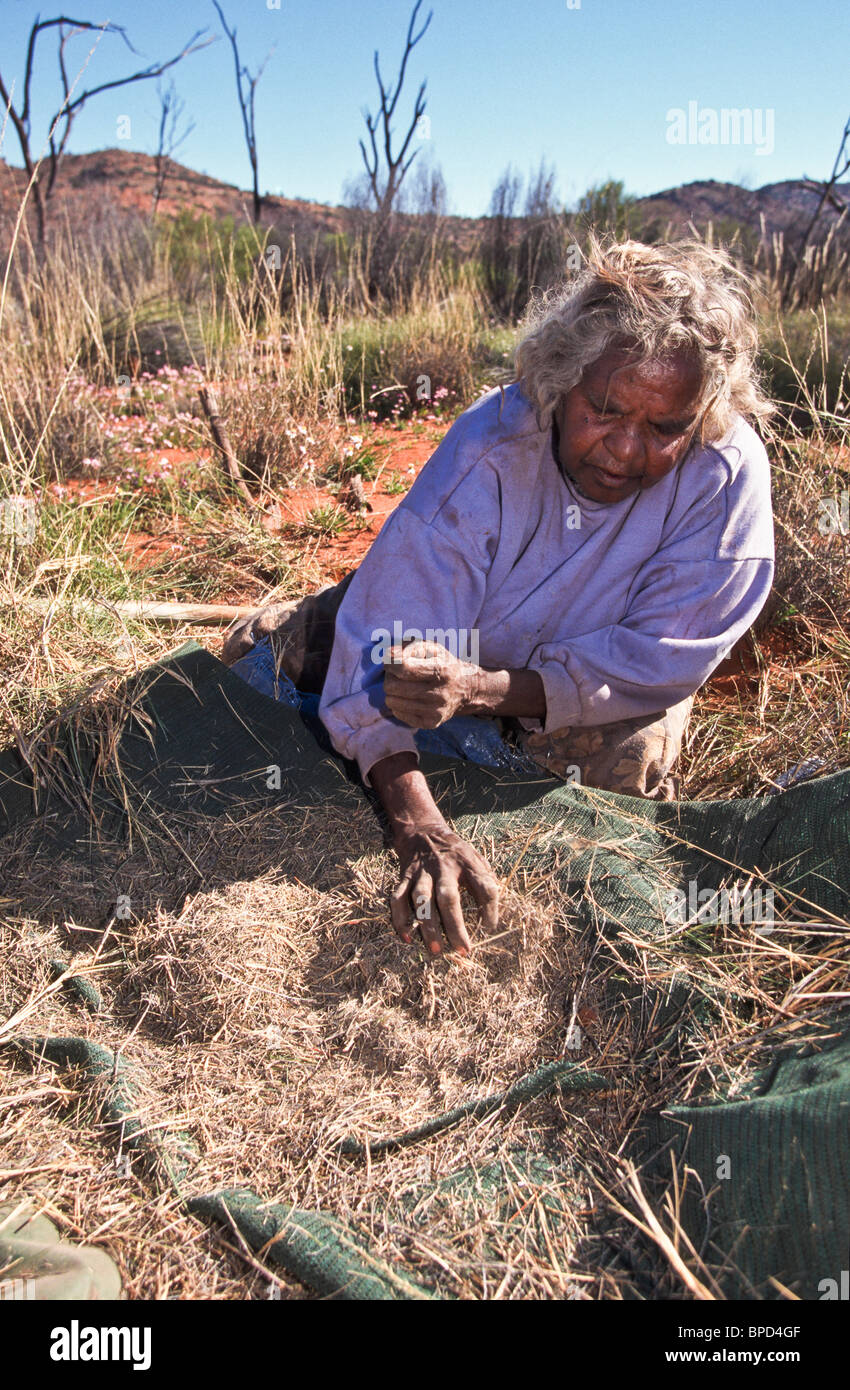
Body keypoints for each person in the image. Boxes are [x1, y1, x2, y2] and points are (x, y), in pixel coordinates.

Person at [223, 239, 775, 959]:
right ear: (561, 381)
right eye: (605, 411)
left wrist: (481, 691)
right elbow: (389, 643)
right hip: (458, 639)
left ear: (700, 418)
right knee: (277, 656)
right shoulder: (494, 442)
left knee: (624, 764)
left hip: (592, 676)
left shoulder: (726, 476)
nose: (626, 450)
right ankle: (306, 623)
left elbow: (659, 660)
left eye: (664, 428)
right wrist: (418, 826)